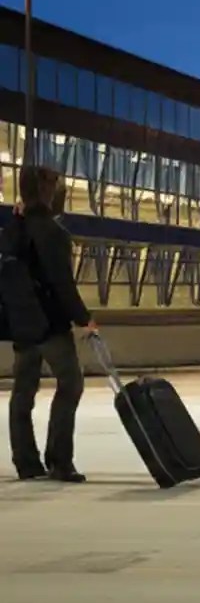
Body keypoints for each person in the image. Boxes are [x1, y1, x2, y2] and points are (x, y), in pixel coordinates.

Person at [4, 165, 96, 482]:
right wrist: (84, 319)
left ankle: (26, 462)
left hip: (21, 325)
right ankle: (59, 460)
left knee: (23, 392)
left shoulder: (12, 229)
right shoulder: (54, 233)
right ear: (46, 190)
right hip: (49, 325)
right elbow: (62, 283)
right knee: (70, 384)